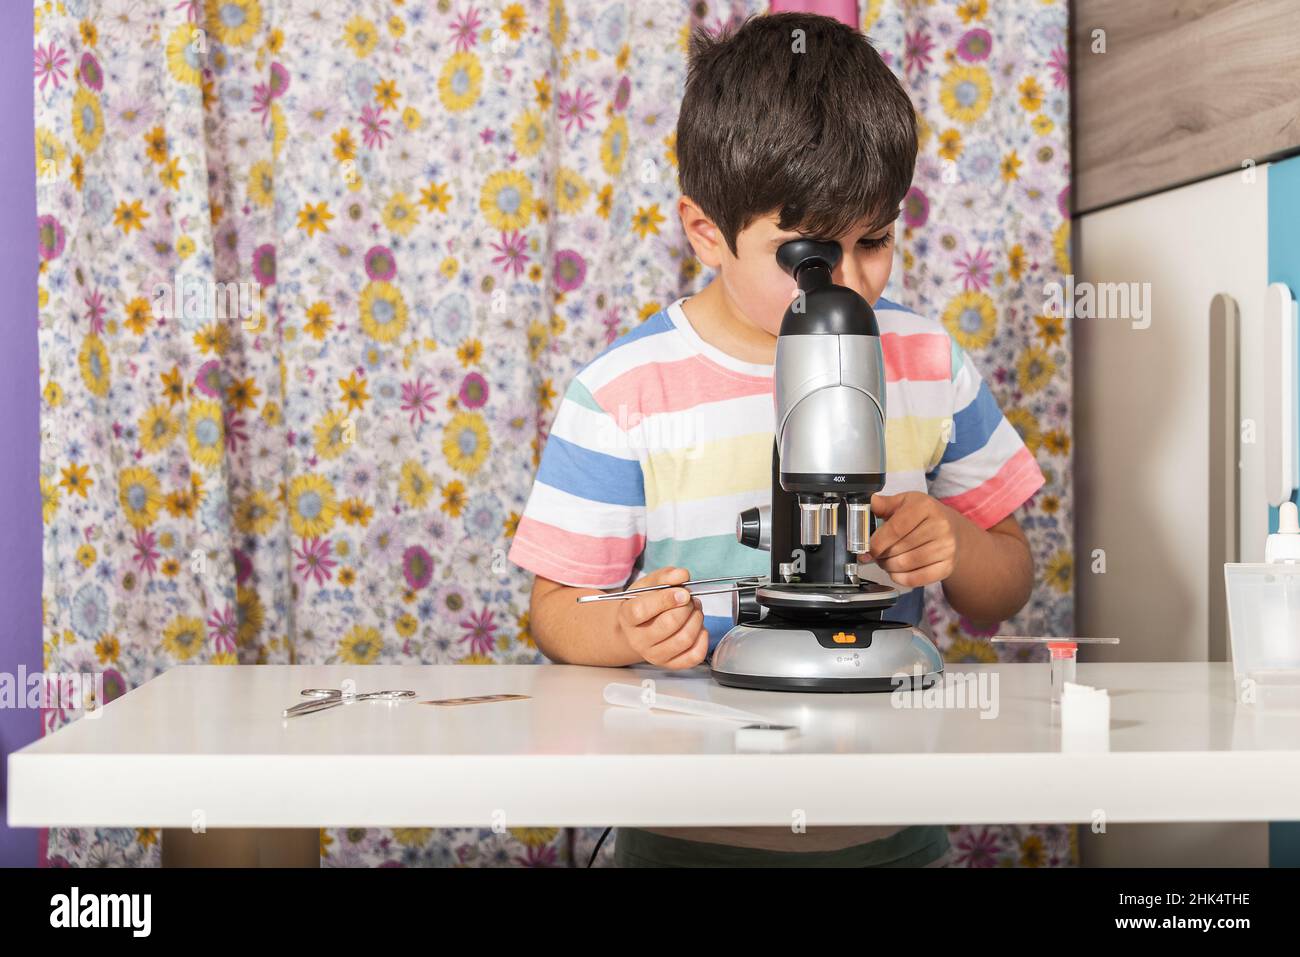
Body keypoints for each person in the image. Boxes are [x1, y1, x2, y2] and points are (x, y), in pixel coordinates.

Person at [507, 12, 1044, 867]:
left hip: (889, 823)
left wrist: (957, 544)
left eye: (876, 241)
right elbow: (557, 610)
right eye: (814, 258)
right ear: (706, 232)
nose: (856, 281)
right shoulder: (625, 389)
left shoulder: (924, 356)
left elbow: (1006, 585)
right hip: (688, 828)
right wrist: (632, 633)